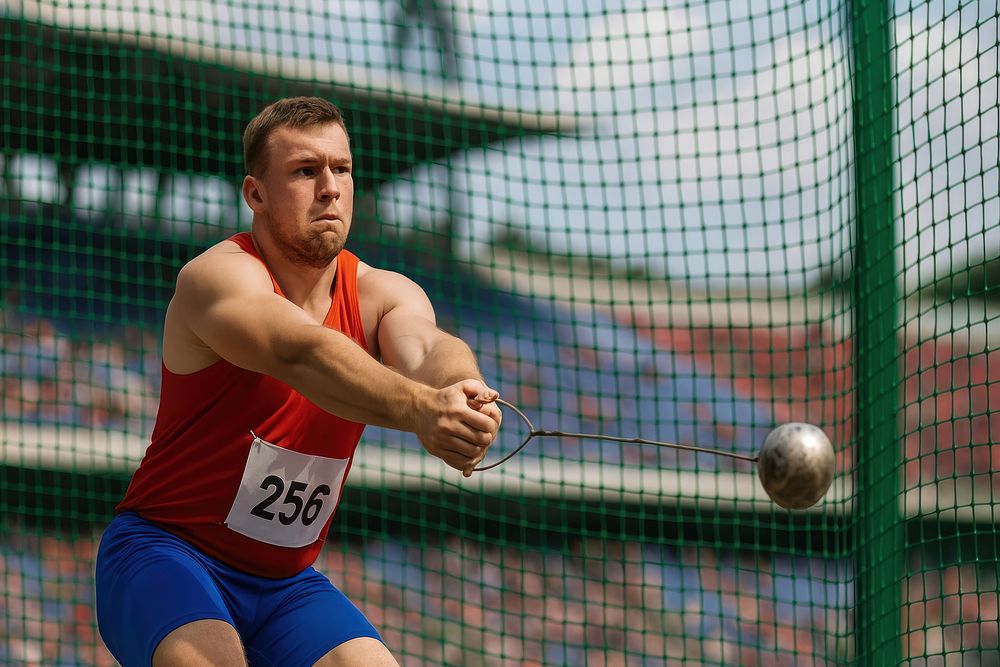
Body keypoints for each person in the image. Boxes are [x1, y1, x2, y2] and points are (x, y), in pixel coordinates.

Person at [95, 96, 502, 667]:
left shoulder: (385, 292)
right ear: (255, 193)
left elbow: (430, 348)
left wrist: (462, 391)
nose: (331, 187)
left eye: (342, 168)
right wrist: (419, 411)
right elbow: (301, 351)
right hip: (167, 555)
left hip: (285, 584)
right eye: (306, 171)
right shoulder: (217, 277)